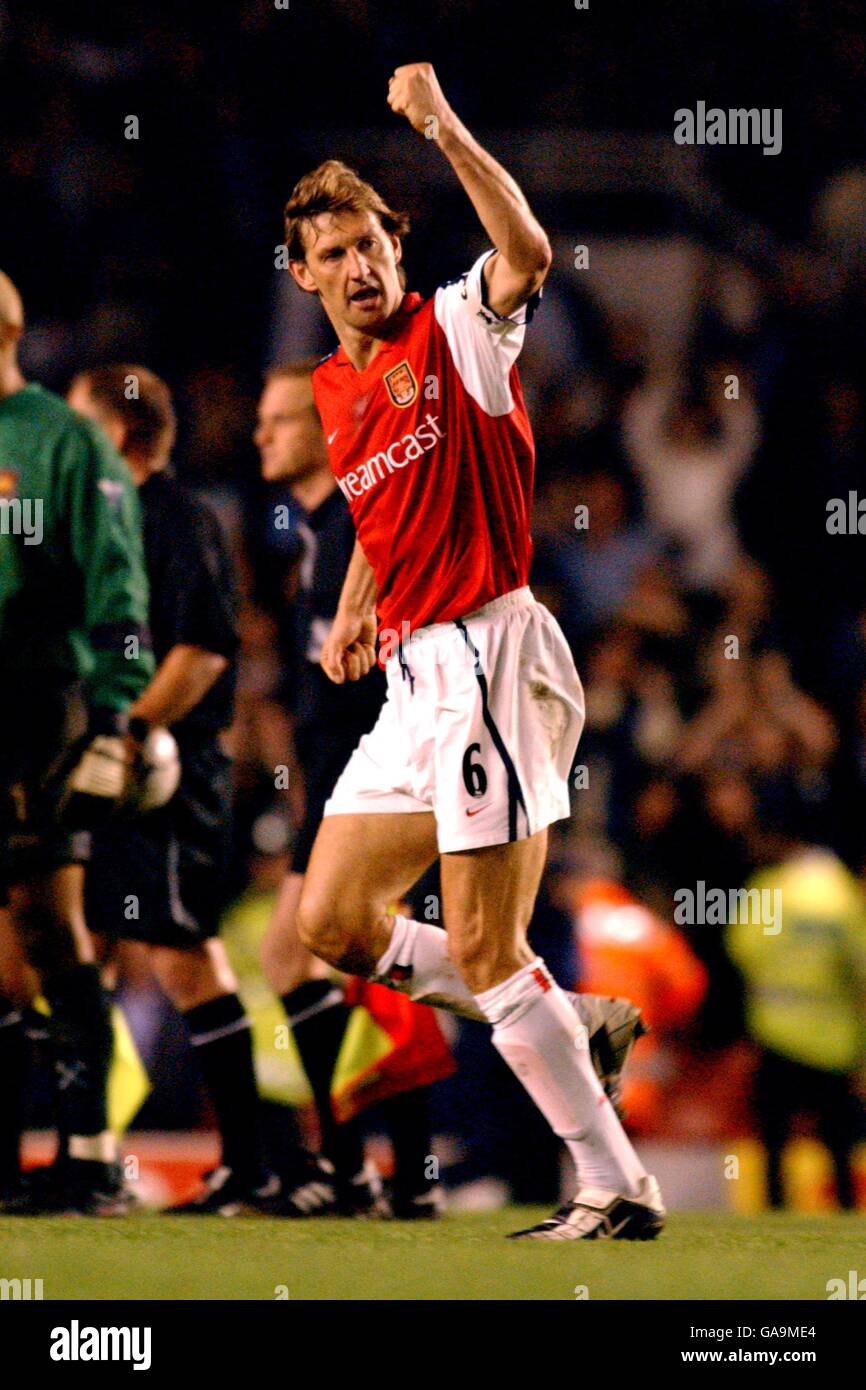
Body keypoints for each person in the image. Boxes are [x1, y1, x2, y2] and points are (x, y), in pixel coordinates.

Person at [278, 63, 663, 1240]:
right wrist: (354, 599)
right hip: (410, 674)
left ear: (397, 246)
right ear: (301, 274)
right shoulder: (334, 390)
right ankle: (562, 1012)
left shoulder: (456, 326)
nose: (357, 264)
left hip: (490, 649)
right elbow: (381, 508)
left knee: (490, 943)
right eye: (331, 252)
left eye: (370, 242)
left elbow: (530, 251)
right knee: (331, 920)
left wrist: (440, 125)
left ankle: (616, 1184)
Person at [66, 364, 280, 1215]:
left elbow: (204, 650)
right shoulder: (101, 523)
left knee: (186, 959)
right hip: (100, 771)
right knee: (84, 960)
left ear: (119, 435)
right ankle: (89, 1159)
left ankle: (252, 1165)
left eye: (81, 428)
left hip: (164, 775)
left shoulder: (179, 520)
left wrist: (130, 730)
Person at [256, 360, 455, 1217]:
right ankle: (384, 1172)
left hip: (371, 784)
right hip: (337, 785)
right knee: (352, 968)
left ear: (325, 433)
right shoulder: (314, 535)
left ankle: (377, 1170)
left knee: (356, 963)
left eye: (283, 420)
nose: (264, 434)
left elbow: (383, 679)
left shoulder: (351, 531)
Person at [0, 273, 155, 1214]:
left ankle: (91, 1156)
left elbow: (118, 590)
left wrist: (111, 719)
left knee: (52, 932)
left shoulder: (62, 438)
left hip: (31, 708)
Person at [726, 839, 866, 1209]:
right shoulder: (844, 896)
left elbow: (742, 949)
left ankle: (775, 1206)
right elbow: (861, 965)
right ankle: (846, 1207)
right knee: (838, 1136)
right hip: (833, 1037)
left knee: (775, 1135)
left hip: (774, 1030)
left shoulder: (771, 888)